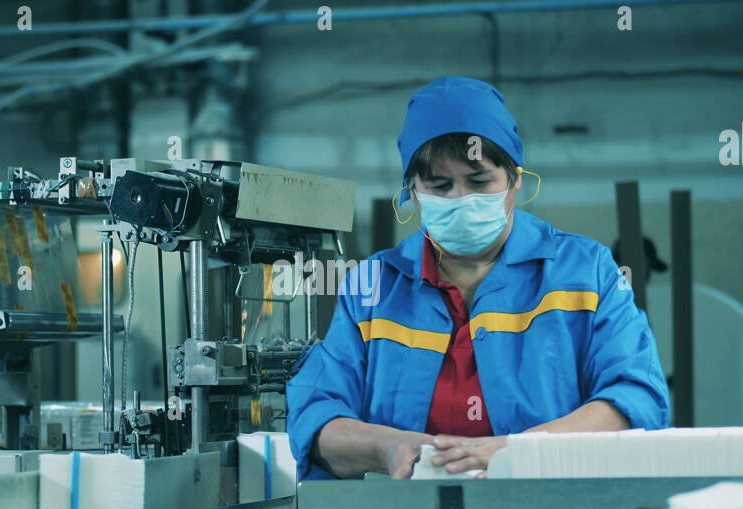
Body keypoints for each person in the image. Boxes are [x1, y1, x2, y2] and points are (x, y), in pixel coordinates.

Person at [286, 76, 670, 485]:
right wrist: (388, 446)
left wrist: (514, 453)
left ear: (515, 179)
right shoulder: (373, 289)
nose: (461, 200)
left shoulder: (585, 272)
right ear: (412, 193)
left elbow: (635, 399)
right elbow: (316, 416)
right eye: (440, 185)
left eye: (479, 181)